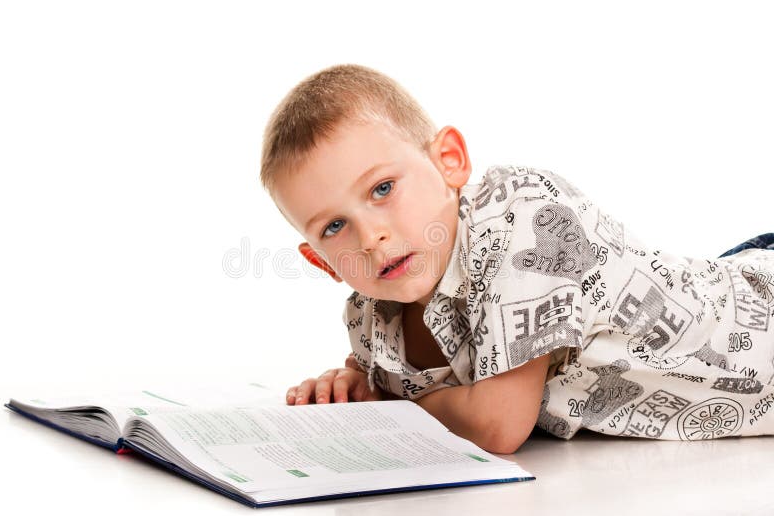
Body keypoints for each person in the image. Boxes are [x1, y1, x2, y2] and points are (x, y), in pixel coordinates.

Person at [260, 64, 774, 453]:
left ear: (450, 162)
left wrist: (387, 410)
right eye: (334, 227)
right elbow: (398, 383)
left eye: (382, 188)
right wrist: (354, 386)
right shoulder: (371, 321)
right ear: (324, 262)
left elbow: (497, 425)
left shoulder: (520, 219)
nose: (370, 236)